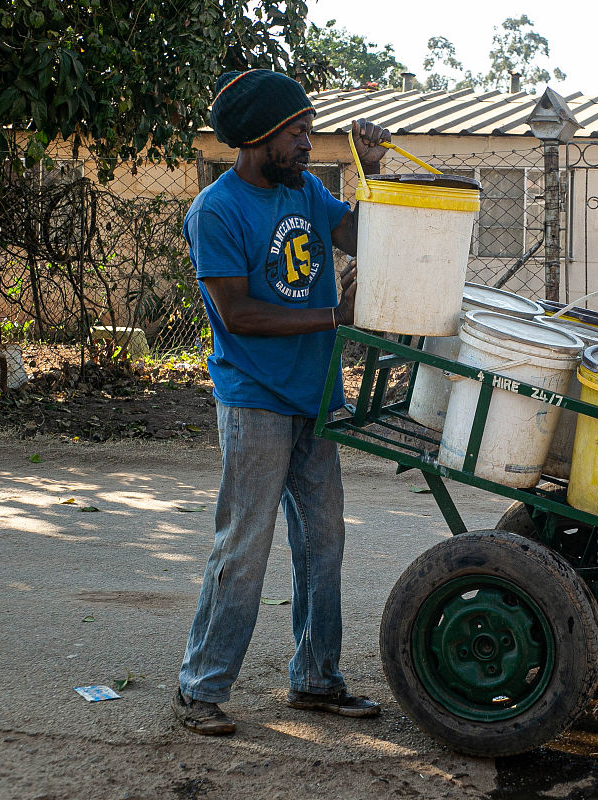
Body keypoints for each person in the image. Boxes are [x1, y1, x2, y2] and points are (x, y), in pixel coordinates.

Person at [172, 68, 391, 736]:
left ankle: (317, 679)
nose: (306, 143)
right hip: (255, 399)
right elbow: (237, 315)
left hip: (314, 394)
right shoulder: (216, 211)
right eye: (296, 131)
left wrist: (371, 172)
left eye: (308, 130)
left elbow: (365, 238)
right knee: (244, 546)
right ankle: (200, 688)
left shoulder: (306, 192)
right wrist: (335, 316)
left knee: (323, 545)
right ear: (260, 136)